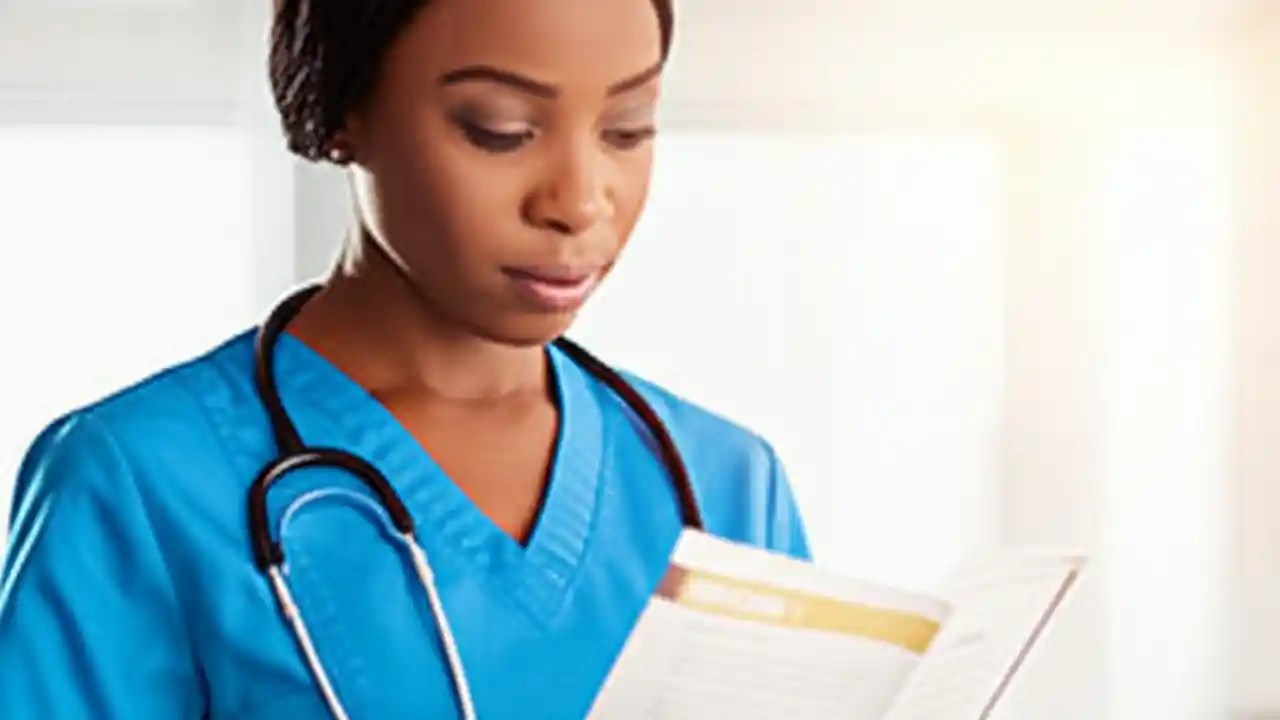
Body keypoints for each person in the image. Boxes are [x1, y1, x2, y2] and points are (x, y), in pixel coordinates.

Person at [0, 0, 811, 717]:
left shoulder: (726, 486)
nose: (578, 201)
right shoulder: (140, 481)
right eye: (501, 130)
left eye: (627, 129)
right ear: (339, 107)